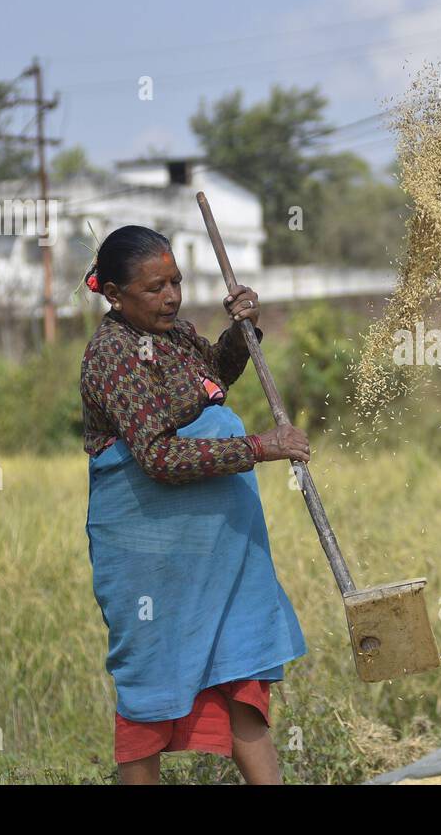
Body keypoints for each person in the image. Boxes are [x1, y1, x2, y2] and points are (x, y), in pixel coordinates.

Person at [78, 224, 310, 785]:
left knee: (241, 673)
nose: (172, 297)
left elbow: (213, 375)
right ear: (113, 294)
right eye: (155, 288)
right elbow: (157, 456)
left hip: (219, 550)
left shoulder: (175, 334)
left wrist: (242, 329)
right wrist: (258, 447)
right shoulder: (111, 355)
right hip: (153, 556)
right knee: (149, 688)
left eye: (176, 282)